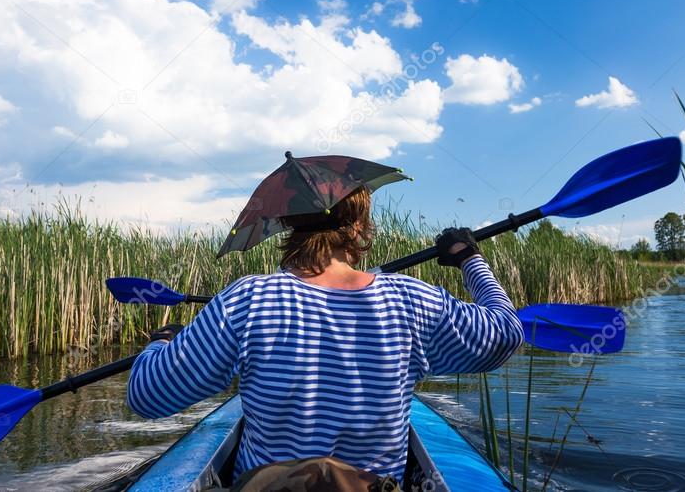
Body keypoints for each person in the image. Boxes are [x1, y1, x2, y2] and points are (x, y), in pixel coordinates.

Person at [125, 186, 524, 484]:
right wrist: (469, 258)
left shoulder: (248, 299)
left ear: (285, 225)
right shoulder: (412, 300)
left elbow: (146, 397)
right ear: (360, 227)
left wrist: (161, 342)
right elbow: (506, 331)